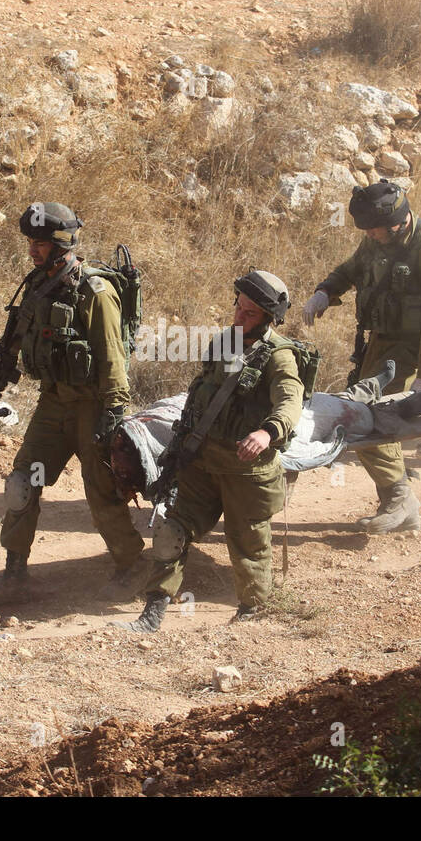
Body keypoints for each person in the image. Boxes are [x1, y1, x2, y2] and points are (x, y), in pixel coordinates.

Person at [0, 203, 146, 604]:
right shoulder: (36, 283)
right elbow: (15, 338)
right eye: (31, 242)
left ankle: (131, 566)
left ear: (63, 243)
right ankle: (14, 574)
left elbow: (112, 357)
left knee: (101, 490)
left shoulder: (95, 291)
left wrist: (114, 416)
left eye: (41, 243)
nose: (33, 250)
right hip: (53, 404)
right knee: (22, 484)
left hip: (92, 406)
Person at [120, 271, 305, 633]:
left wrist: (267, 433)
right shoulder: (223, 343)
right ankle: (154, 611)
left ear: (269, 318)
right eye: (239, 307)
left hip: (247, 471)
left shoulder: (279, 358)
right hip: (202, 463)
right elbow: (199, 398)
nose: (239, 317)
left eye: (250, 314)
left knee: (248, 545)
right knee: (171, 532)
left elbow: (289, 401)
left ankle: (250, 615)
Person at [300, 179, 421, 533]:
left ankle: (400, 500)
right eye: (367, 230)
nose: (370, 236)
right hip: (381, 345)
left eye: (375, 230)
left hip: (413, 350)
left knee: (369, 420)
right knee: (362, 418)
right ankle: (398, 501)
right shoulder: (377, 236)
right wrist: (325, 291)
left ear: (398, 223)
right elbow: (353, 268)